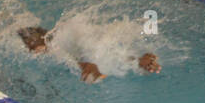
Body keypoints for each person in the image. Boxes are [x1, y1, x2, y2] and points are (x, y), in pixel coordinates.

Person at [18, 24, 159, 82]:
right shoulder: (64, 43)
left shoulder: (58, 46)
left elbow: (72, 60)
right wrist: (138, 60)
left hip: (86, 46)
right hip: (86, 42)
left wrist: (138, 60)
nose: (34, 49)